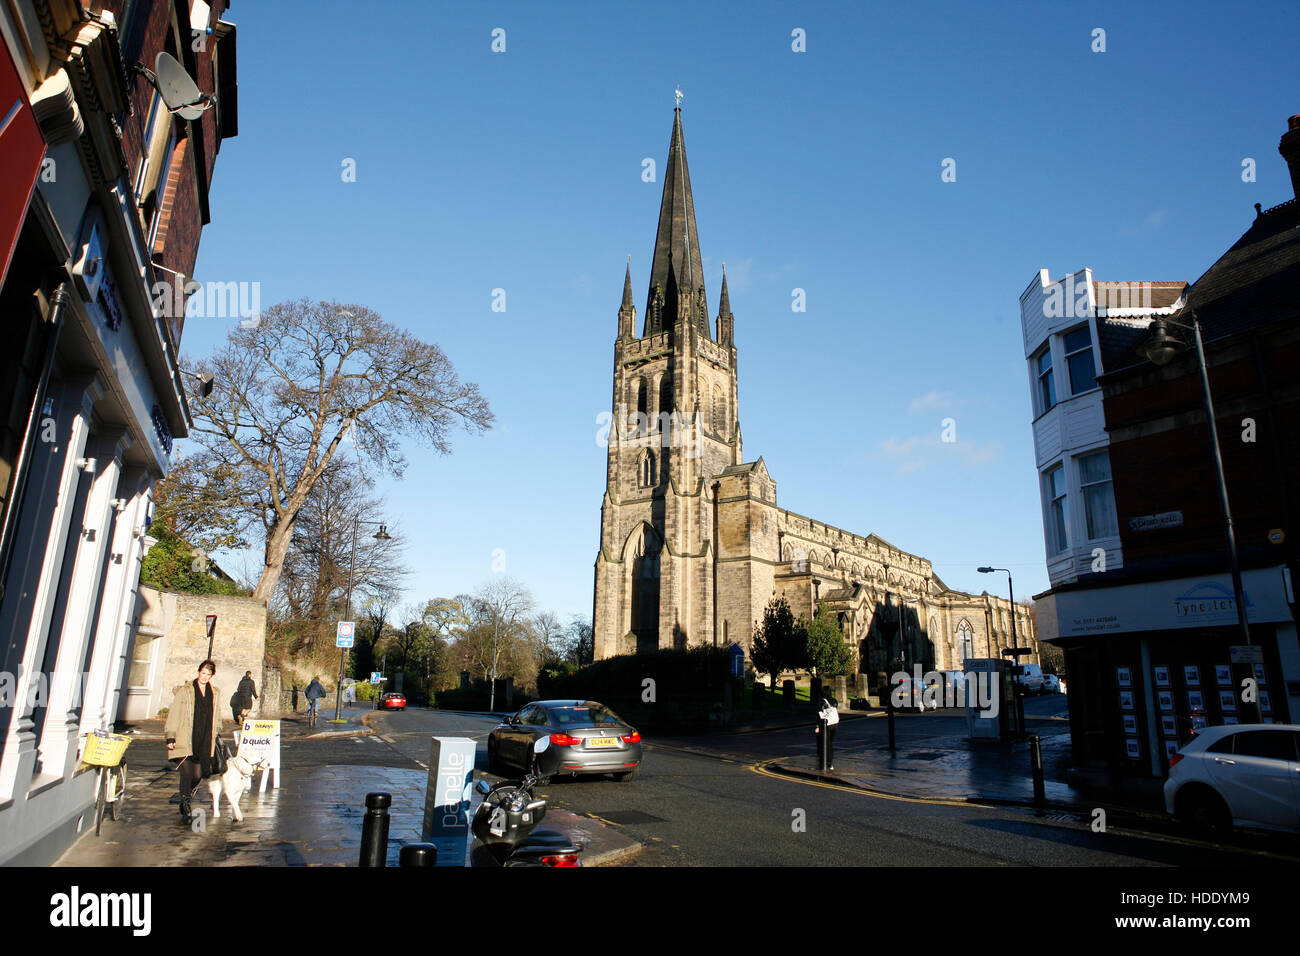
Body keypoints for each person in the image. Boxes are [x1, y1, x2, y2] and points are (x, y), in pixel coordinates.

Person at [165, 660, 222, 824]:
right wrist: (171, 736)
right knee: (186, 772)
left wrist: (217, 728)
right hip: (185, 736)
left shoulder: (215, 693)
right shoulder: (186, 691)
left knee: (197, 775)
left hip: (204, 738)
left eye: (208, 674)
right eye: (203, 673)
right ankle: (186, 804)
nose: (204, 677)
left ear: (212, 676)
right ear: (198, 672)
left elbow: (216, 714)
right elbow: (174, 713)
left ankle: (186, 797)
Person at [817, 692, 840, 770]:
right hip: (835, 724)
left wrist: (817, 726)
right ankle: (830, 764)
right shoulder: (834, 700)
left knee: (824, 744)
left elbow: (820, 714)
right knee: (830, 744)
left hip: (826, 725)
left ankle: (823, 763)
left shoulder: (821, 701)